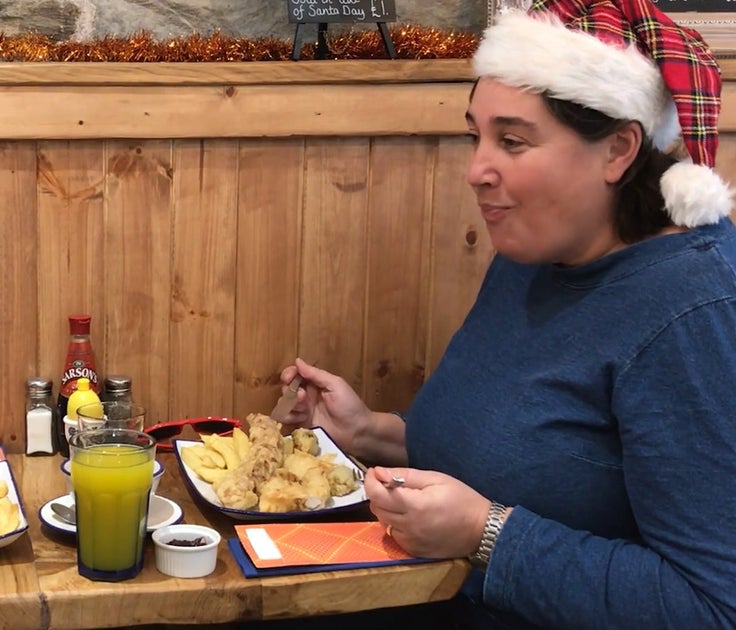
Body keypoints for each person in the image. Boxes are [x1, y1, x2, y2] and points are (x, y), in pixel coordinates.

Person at [279, 1, 736, 628]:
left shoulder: (694, 312)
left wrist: (487, 535)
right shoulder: (537, 248)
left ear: (619, 151)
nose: (476, 171)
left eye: (513, 142)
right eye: (477, 136)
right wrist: (371, 433)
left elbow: (711, 605)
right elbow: (534, 452)